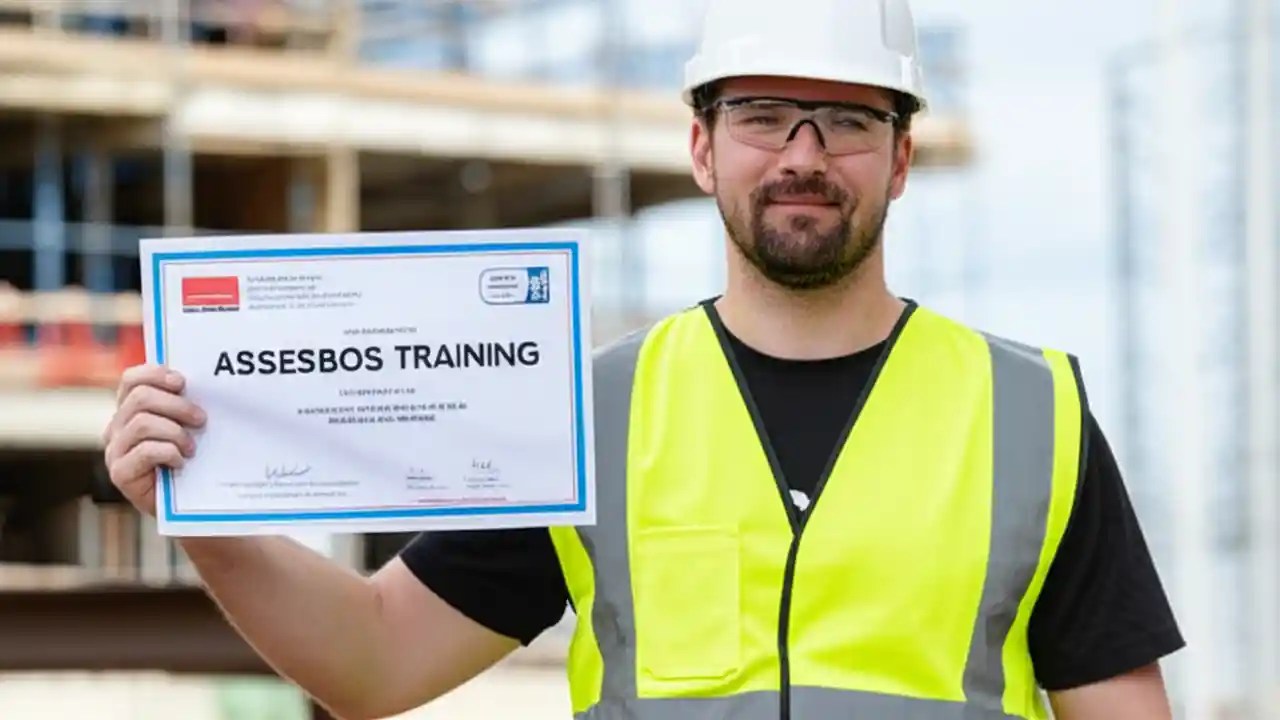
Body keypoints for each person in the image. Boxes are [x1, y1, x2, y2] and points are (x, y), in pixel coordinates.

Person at [101, 0, 1185, 717]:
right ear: (702, 145)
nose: (802, 156)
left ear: (899, 158)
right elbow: (375, 659)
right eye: (763, 116)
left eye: (844, 121)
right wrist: (212, 513)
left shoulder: (1029, 412)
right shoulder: (581, 415)